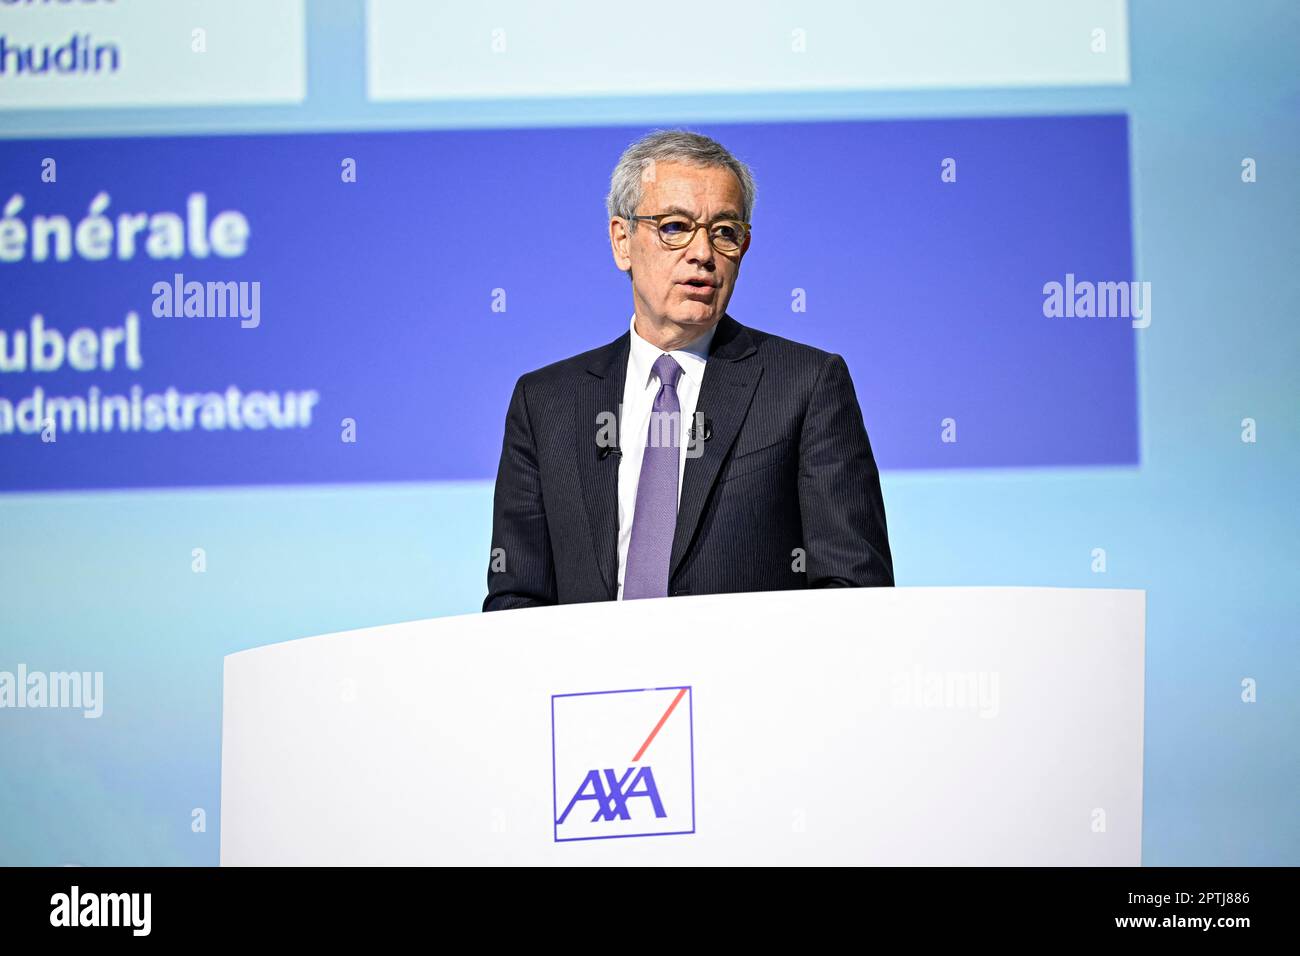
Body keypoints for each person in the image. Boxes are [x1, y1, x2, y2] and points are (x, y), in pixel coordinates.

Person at [484, 129, 892, 610]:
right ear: (622, 241)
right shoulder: (546, 402)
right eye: (675, 227)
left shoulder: (806, 385)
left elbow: (855, 594)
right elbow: (516, 601)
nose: (703, 253)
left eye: (725, 232)